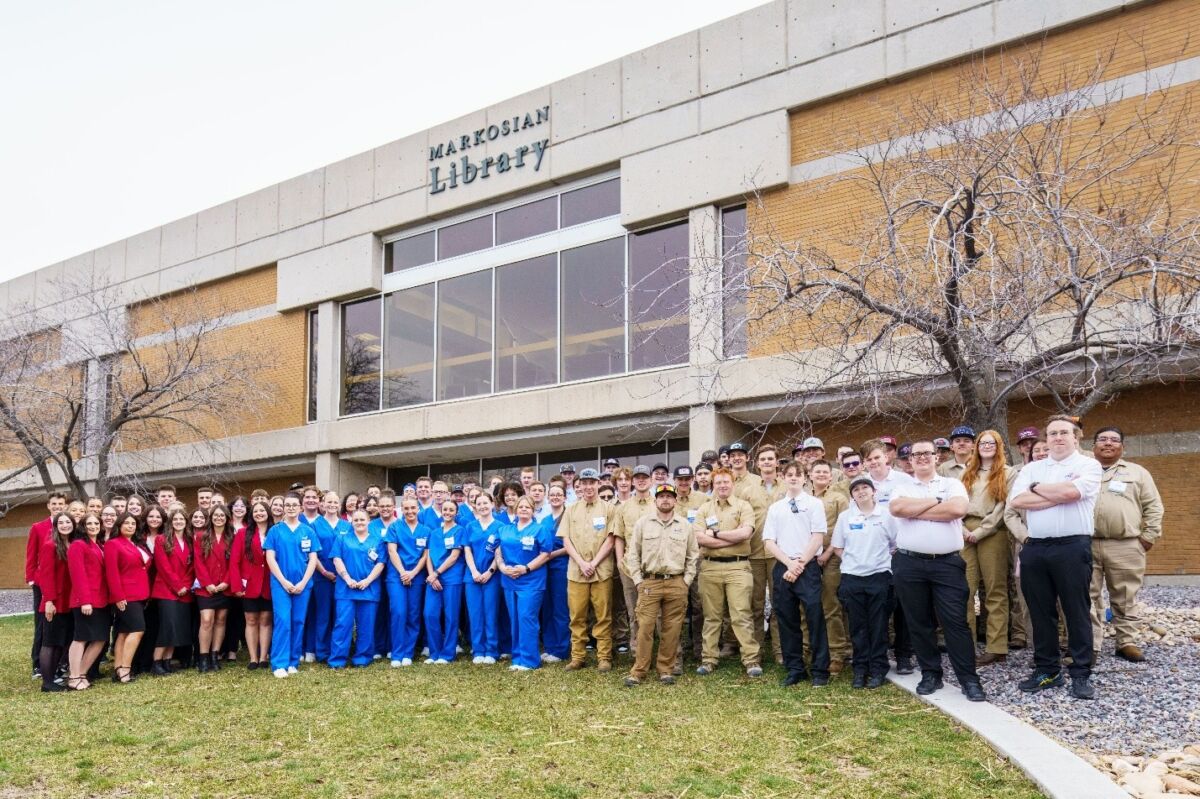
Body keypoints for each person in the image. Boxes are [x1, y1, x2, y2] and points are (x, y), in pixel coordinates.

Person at [1008, 415, 1103, 700]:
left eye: (1064, 433)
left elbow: (1074, 492)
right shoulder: (1033, 468)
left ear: (1075, 437)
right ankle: (1047, 670)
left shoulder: (1088, 465)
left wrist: (1037, 489)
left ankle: (1081, 673)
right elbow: (1017, 501)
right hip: (1036, 547)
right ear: (1046, 439)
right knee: (1040, 612)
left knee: (1076, 610)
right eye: (1052, 434)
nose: (1058, 438)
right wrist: (1058, 494)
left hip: (1073, 546)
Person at [889, 441, 986, 702]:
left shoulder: (952, 484)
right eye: (916, 454)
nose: (921, 458)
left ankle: (968, 679)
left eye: (927, 454)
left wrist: (916, 510)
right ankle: (931, 674)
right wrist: (935, 503)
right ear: (909, 459)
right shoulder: (902, 487)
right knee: (919, 623)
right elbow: (897, 509)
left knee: (955, 622)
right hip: (909, 564)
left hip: (947, 564)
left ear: (936, 457)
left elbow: (956, 509)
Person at [1090, 426, 1164, 663]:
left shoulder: (1137, 472)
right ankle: (1091, 644)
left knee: (1125, 595)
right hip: (1086, 543)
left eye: (1114, 440)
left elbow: (1153, 506)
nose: (1108, 443)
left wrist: (1148, 537)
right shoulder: (1084, 471)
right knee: (1087, 596)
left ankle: (1126, 642)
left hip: (1126, 544)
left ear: (1122, 446)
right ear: (1094, 445)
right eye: (1103, 439)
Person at [623, 484, 698, 687]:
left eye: (669, 497)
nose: (665, 500)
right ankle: (639, 671)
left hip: (676, 582)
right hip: (650, 582)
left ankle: (666, 669)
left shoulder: (685, 525)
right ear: (655, 501)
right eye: (661, 496)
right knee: (645, 628)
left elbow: (693, 555)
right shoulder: (643, 524)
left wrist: (686, 581)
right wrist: (638, 580)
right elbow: (632, 554)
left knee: (672, 629)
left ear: (675, 500)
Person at [763, 462, 830, 687]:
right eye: (789, 474)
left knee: (814, 618)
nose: (793, 478)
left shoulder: (814, 504)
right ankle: (795, 669)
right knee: (786, 620)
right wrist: (789, 564)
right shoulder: (776, 508)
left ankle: (820, 670)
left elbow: (817, 537)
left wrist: (799, 564)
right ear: (783, 477)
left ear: (805, 478)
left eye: (797, 474)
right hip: (783, 565)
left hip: (807, 566)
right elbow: (769, 541)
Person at [693, 467, 761, 677]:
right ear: (714, 485)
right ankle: (709, 659)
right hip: (710, 568)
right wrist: (728, 539)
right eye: (719, 482)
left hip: (738, 568)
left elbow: (745, 533)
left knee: (741, 614)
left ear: (732, 483)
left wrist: (715, 534)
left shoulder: (743, 506)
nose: (722, 485)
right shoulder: (704, 509)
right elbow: (698, 537)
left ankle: (751, 660)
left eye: (726, 482)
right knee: (711, 617)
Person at [832, 478, 898, 689]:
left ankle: (878, 669)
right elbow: (838, 547)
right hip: (852, 578)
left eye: (865, 488)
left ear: (873, 491)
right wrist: (855, 561)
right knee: (858, 627)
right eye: (856, 490)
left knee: (878, 626)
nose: (861, 492)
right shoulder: (845, 517)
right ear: (852, 495)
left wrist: (876, 561)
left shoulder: (886, 515)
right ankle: (860, 669)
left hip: (879, 577)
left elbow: (896, 544)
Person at [960, 430, 1016, 666]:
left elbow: (1005, 506)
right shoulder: (967, 472)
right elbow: (955, 501)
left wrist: (981, 531)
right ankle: (966, 646)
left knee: (995, 590)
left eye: (991, 443)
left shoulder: (1008, 473)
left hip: (993, 530)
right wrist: (962, 529)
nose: (986, 446)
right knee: (965, 590)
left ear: (999, 446)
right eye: (982, 443)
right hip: (964, 530)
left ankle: (996, 647)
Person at [862, 438, 915, 674]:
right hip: (874, 554)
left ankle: (904, 655)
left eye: (877, 457)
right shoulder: (860, 484)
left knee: (904, 606)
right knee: (878, 607)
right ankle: (880, 654)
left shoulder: (904, 481)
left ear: (886, 456)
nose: (874, 462)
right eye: (869, 459)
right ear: (864, 463)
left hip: (902, 551)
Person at [561, 468, 617, 671]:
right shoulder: (571, 509)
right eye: (584, 483)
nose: (588, 486)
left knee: (603, 616)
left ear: (598, 484)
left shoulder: (609, 509)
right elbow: (566, 540)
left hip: (601, 571)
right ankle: (578, 657)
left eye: (592, 482)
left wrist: (593, 563)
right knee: (577, 616)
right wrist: (582, 563)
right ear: (579, 486)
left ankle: (604, 657)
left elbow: (611, 539)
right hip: (576, 572)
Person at [263, 493, 320, 678]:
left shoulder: (308, 531)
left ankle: (293, 661)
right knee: (283, 621)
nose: (291, 507)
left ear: (301, 507)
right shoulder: (275, 531)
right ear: (283, 507)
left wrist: (303, 582)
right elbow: (270, 558)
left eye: (294, 504)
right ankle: (279, 663)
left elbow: (313, 559)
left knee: (298, 621)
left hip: (303, 585)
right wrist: (284, 581)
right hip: (281, 585)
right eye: (287, 505)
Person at [496, 496, 553, 671]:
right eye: (520, 506)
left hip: (531, 581)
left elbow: (546, 554)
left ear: (533, 509)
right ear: (516, 508)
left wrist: (526, 568)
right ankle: (518, 657)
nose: (523, 509)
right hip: (509, 579)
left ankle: (530, 660)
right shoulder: (505, 529)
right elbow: (498, 550)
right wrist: (502, 567)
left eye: (527, 507)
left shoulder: (539, 529)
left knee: (527, 618)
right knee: (514, 619)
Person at [328, 508, 386, 669]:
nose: (359, 522)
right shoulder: (342, 538)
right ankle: (338, 659)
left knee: (366, 625)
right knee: (342, 624)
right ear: (351, 522)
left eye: (362, 520)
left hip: (369, 589)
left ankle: (363, 658)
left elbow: (381, 563)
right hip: (346, 590)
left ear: (369, 522)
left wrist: (367, 581)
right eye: (356, 520)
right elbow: (337, 559)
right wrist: (347, 578)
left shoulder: (378, 540)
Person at [810, 461, 851, 673]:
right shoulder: (803, 498)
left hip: (831, 556)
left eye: (825, 472)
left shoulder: (838, 498)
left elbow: (842, 528)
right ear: (810, 474)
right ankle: (809, 649)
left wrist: (826, 554)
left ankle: (837, 653)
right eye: (817, 471)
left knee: (830, 605)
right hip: (807, 557)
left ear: (831, 476)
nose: (822, 475)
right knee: (807, 605)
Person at [26, 491, 67, 682]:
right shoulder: (38, 527)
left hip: (62, 585)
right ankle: (37, 664)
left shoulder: (68, 526)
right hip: (42, 583)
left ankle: (57, 664)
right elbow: (31, 554)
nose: (58, 506)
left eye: (61, 503)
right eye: (54, 504)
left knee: (57, 625)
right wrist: (32, 579)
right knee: (42, 623)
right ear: (48, 506)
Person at [383, 496, 429, 667]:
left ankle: (408, 653)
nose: (410, 511)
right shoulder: (394, 527)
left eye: (413, 508)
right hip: (396, 576)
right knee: (398, 612)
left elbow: (426, 555)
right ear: (402, 509)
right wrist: (403, 572)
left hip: (417, 577)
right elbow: (392, 551)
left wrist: (414, 573)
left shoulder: (425, 530)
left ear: (418, 509)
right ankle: (397, 653)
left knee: (413, 614)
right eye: (406, 508)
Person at [613, 465, 655, 654]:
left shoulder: (659, 503)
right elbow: (619, 537)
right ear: (632, 481)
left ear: (651, 480)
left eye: (644, 477)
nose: (641, 480)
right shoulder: (623, 508)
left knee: (657, 613)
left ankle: (659, 649)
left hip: (655, 567)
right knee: (634, 611)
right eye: (637, 477)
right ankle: (637, 650)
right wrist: (620, 561)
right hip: (629, 568)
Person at [105, 512, 150, 684]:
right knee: (138, 630)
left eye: (133, 523)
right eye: (126, 523)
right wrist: (118, 596)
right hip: (125, 596)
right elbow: (112, 572)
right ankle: (125, 668)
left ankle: (118, 668)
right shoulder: (113, 544)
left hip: (139, 594)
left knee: (123, 632)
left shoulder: (135, 543)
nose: (130, 526)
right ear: (119, 525)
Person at [67, 513, 110, 690]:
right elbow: (78, 575)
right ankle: (73, 677)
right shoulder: (78, 545)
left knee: (100, 639)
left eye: (96, 523)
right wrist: (85, 600)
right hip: (85, 601)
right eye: (89, 524)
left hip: (101, 600)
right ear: (82, 527)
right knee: (81, 638)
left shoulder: (99, 545)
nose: (93, 526)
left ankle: (82, 673)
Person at [304, 491, 348, 664]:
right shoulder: (315, 525)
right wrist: (324, 572)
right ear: (322, 504)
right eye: (328, 501)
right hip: (321, 576)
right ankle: (321, 651)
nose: (332, 505)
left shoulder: (346, 526)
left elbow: (350, 550)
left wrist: (343, 574)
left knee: (340, 615)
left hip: (342, 578)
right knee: (322, 614)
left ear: (339, 505)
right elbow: (312, 552)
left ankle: (337, 649)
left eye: (335, 502)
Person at [151, 507, 195, 676]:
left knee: (177, 628)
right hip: (167, 591)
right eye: (175, 520)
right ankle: (156, 662)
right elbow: (163, 567)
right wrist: (178, 586)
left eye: (181, 520)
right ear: (170, 522)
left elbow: (192, 566)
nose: (178, 522)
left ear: (186, 522)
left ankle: (167, 662)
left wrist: (186, 585)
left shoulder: (189, 540)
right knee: (167, 628)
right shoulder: (162, 540)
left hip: (185, 591)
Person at [230, 500, 273, 669]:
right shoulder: (242, 533)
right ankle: (253, 658)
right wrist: (237, 586)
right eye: (256, 511)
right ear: (251, 514)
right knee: (251, 620)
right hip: (249, 584)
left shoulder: (275, 531)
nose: (259, 513)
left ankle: (264, 657)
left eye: (262, 511)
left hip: (269, 583)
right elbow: (234, 561)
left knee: (266, 620)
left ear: (268, 513)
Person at [36, 512, 75, 692]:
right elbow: (46, 575)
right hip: (54, 601)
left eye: (68, 522)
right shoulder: (49, 545)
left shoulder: (73, 544)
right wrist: (49, 601)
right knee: (49, 642)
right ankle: (47, 682)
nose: (65, 525)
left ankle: (53, 677)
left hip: (69, 601)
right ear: (56, 525)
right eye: (61, 522)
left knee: (61, 641)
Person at [193, 504, 234, 673]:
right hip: (206, 587)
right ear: (211, 518)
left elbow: (234, 562)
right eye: (216, 515)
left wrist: (226, 581)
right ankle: (203, 657)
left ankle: (214, 655)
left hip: (224, 586)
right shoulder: (202, 536)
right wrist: (207, 583)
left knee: (221, 620)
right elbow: (198, 561)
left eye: (222, 515)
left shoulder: (232, 537)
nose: (219, 518)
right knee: (207, 620)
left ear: (226, 518)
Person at [464, 491, 504, 664]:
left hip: (492, 577)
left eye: (485, 503)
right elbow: (467, 550)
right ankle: (478, 650)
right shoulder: (470, 526)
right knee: (475, 614)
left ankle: (492, 650)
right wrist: (474, 571)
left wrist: (490, 571)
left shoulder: (500, 526)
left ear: (492, 504)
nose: (482, 506)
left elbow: (500, 552)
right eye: (479, 504)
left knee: (491, 613)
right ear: (475, 506)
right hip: (472, 577)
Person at [424, 499, 465, 664]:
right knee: (430, 614)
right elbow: (428, 555)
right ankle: (434, 652)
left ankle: (448, 653)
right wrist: (431, 575)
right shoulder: (434, 533)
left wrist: (437, 573)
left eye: (451, 510)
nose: (447, 512)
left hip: (451, 578)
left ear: (456, 513)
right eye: (445, 509)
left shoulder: (459, 530)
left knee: (451, 615)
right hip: (433, 578)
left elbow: (454, 556)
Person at [539, 484, 571, 664]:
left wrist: (550, 555)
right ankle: (550, 646)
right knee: (547, 608)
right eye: (552, 494)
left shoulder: (568, 517)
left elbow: (569, 546)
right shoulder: (544, 520)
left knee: (560, 608)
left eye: (559, 494)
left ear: (565, 497)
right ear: (548, 497)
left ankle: (561, 649)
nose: (555, 497)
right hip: (544, 568)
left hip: (561, 567)